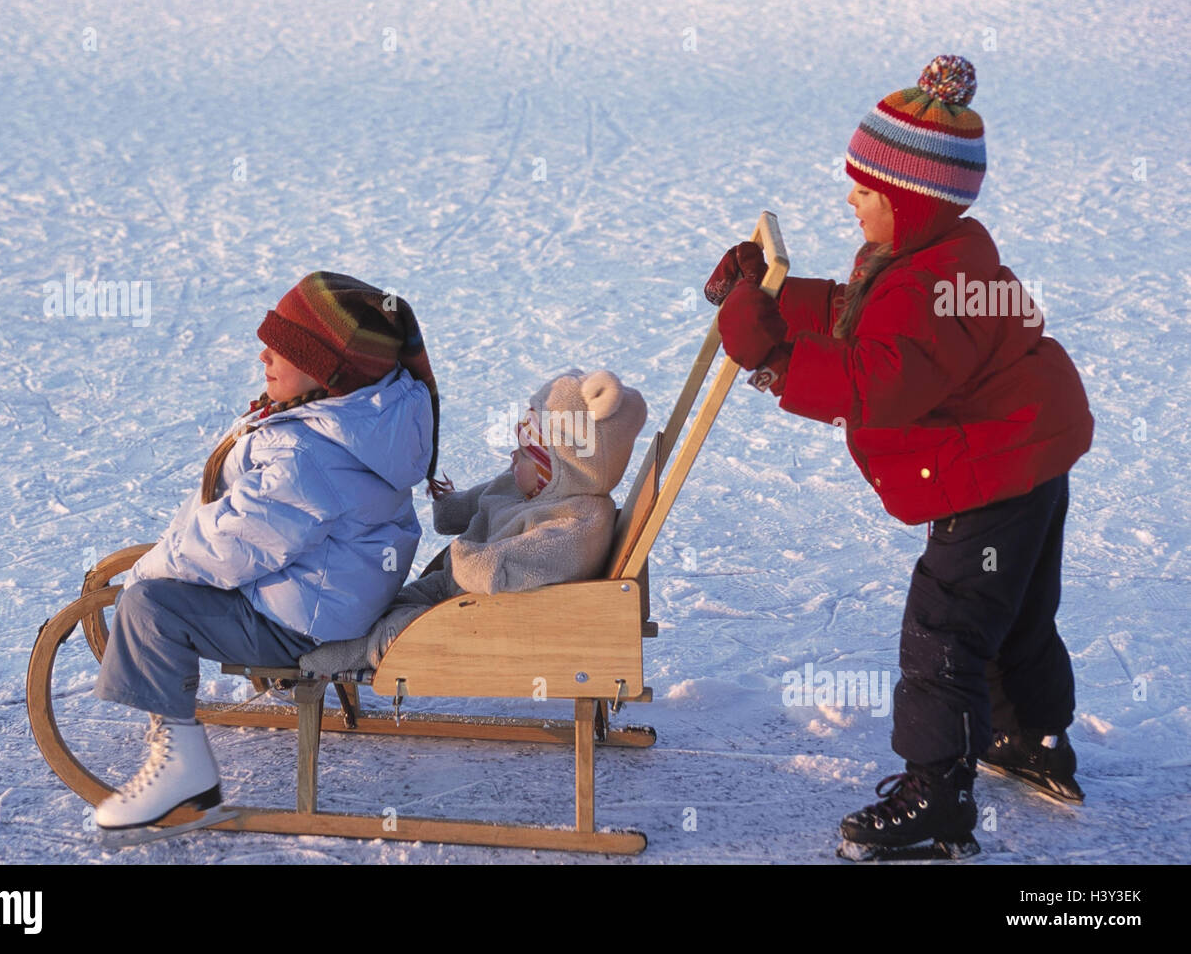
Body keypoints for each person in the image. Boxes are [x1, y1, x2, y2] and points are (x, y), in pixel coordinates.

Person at [706, 55, 1093, 858]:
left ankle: (938, 796)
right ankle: (1033, 739)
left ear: (912, 203)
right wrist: (776, 299)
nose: (850, 197)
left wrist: (772, 359)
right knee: (1013, 615)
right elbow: (858, 317)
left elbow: (879, 381)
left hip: (993, 469)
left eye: (866, 188)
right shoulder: (931, 256)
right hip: (1024, 454)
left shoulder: (930, 283)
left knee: (945, 629)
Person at [93, 272, 439, 830]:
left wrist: (144, 574)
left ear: (329, 372)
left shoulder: (308, 454)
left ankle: (183, 769)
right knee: (167, 582)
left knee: (150, 609)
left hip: (299, 622)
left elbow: (234, 544)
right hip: (330, 598)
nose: (263, 355)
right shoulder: (361, 419)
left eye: (284, 349)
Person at [298, 368, 648, 676]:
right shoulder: (531, 485)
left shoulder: (579, 523)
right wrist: (450, 503)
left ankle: (315, 660)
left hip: (489, 618)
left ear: (562, 468)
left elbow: (523, 562)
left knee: (400, 629)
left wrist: (472, 561)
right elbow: (483, 499)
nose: (514, 457)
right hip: (455, 593)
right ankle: (317, 636)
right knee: (383, 603)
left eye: (526, 453)